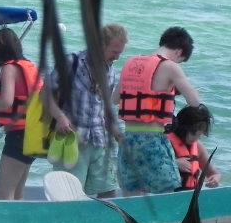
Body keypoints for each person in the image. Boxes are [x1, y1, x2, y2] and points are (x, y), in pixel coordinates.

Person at [41, 23, 128, 198]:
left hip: (99, 140)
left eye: (119, 53)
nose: (117, 57)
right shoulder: (70, 62)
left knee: (108, 191)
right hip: (72, 141)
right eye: (114, 52)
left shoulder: (110, 70)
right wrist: (60, 116)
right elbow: (44, 94)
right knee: (69, 195)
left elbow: (104, 108)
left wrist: (118, 135)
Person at [114, 26, 203, 196]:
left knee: (131, 194)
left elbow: (114, 99)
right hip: (152, 140)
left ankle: (129, 222)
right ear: (178, 52)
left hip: (128, 140)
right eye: (181, 61)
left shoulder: (132, 63)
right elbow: (194, 102)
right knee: (167, 193)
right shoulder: (170, 67)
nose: (178, 64)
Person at [0, 28, 40, 200]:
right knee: (17, 191)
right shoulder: (29, 66)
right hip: (34, 133)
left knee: (4, 192)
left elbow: (6, 102)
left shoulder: (9, 68)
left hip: (19, 136)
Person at [167, 105, 221, 190]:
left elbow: (213, 173)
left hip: (190, 194)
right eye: (194, 134)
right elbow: (149, 166)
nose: (196, 138)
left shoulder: (198, 146)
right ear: (182, 129)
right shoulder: (165, 142)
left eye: (199, 135)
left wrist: (215, 178)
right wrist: (174, 163)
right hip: (168, 194)